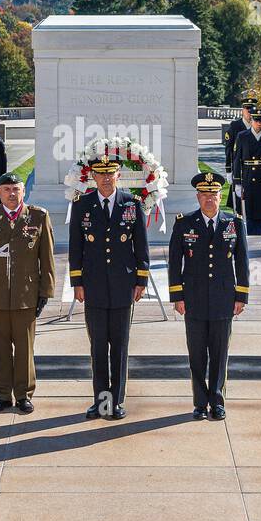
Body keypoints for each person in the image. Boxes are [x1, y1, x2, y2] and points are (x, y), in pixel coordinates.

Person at [68, 157, 150, 419]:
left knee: (120, 346)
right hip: (93, 287)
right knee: (98, 347)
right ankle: (102, 400)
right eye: (100, 175)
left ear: (118, 176)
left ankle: (117, 400)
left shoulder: (132, 204)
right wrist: (77, 283)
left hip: (123, 286)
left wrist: (142, 280)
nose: (105, 179)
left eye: (110, 174)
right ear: (93, 176)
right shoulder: (83, 205)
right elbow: (75, 247)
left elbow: (141, 246)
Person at [168, 173, 249, 420]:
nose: (209, 200)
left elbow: (242, 262)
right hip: (193, 299)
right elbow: (174, 262)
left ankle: (217, 400)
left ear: (220, 196)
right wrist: (177, 296)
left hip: (224, 298)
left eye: (213, 195)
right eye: (204, 195)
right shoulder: (184, 223)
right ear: (198, 197)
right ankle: (200, 403)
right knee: (197, 355)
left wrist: (241, 296)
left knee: (220, 353)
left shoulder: (234, 223)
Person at [0, 173, 55, 414]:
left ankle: (24, 394)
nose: (11, 194)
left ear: (23, 191)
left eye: (16, 189)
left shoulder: (38, 216)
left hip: (26, 293)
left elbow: (47, 259)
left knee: (24, 348)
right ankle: (1, 394)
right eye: (6, 189)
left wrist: (45, 292)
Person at [231, 110, 261, 235]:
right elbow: (237, 160)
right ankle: (250, 237)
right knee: (249, 212)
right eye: (256, 120)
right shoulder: (242, 136)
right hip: (248, 178)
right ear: (251, 121)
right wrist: (237, 182)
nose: (258, 123)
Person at [223, 96, 256, 216]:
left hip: (256, 171)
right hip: (239, 169)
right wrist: (228, 170)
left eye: (252, 109)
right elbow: (229, 149)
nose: (250, 112)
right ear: (243, 110)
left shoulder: (260, 125)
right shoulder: (235, 126)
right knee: (239, 206)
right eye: (247, 109)